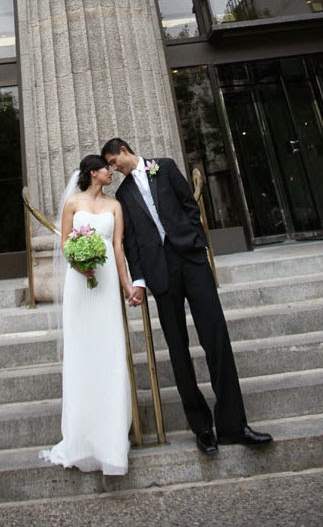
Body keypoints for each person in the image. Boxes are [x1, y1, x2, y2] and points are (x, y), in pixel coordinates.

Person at [101, 138, 272, 455]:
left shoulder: (163, 167)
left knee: (215, 336)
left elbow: (189, 206)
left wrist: (197, 242)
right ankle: (202, 427)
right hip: (160, 274)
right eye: (110, 166)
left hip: (191, 261)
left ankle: (234, 425)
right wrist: (138, 279)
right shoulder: (123, 195)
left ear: (124, 151)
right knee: (178, 350)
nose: (113, 169)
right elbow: (131, 244)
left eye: (113, 162)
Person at [40, 154, 135, 476]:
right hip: (80, 282)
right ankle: (80, 437)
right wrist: (79, 264)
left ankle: (112, 437)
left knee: (109, 352)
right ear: (94, 173)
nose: (111, 172)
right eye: (107, 168)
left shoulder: (115, 207)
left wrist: (127, 286)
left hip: (106, 279)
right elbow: (65, 242)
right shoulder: (72, 203)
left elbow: (118, 246)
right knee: (82, 354)